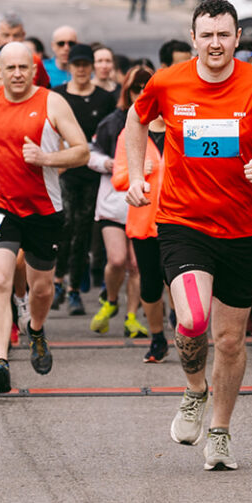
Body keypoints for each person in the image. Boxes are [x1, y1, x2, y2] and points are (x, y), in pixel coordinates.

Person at [124, 0, 252, 470]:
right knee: (192, 318)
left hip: (241, 229)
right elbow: (135, 119)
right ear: (193, 38)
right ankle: (193, 389)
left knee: (228, 340)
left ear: (238, 37)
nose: (216, 43)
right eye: (207, 35)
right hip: (183, 223)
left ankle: (220, 432)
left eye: (224, 34)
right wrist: (137, 174)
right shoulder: (168, 82)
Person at [0, 42, 91, 394]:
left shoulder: (52, 103)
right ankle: (0, 359)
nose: (16, 74)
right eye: (9, 68)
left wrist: (46, 158)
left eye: (22, 68)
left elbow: (82, 151)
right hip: (0, 203)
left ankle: (36, 330)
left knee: (41, 288)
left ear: (33, 70)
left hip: (44, 209)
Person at [88, 67, 154, 340]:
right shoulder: (112, 122)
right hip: (113, 204)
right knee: (116, 260)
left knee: (136, 265)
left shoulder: (161, 122)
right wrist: (112, 164)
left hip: (144, 206)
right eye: (136, 89)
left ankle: (132, 316)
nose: (141, 94)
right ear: (127, 91)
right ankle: (111, 300)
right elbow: (91, 154)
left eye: (147, 88)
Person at [111, 71, 171, 363]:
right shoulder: (130, 133)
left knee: (179, 280)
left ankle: (185, 331)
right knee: (150, 285)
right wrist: (139, 172)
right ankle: (158, 337)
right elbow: (118, 179)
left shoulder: (181, 128)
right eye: (138, 90)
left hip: (180, 220)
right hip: (144, 221)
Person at [56, 44, 117, 315]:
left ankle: (74, 290)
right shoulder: (58, 96)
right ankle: (57, 278)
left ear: (91, 67)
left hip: (93, 172)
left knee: (83, 230)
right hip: (65, 170)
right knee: (65, 225)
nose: (81, 70)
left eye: (85, 65)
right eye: (76, 65)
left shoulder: (104, 98)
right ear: (69, 67)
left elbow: (110, 135)